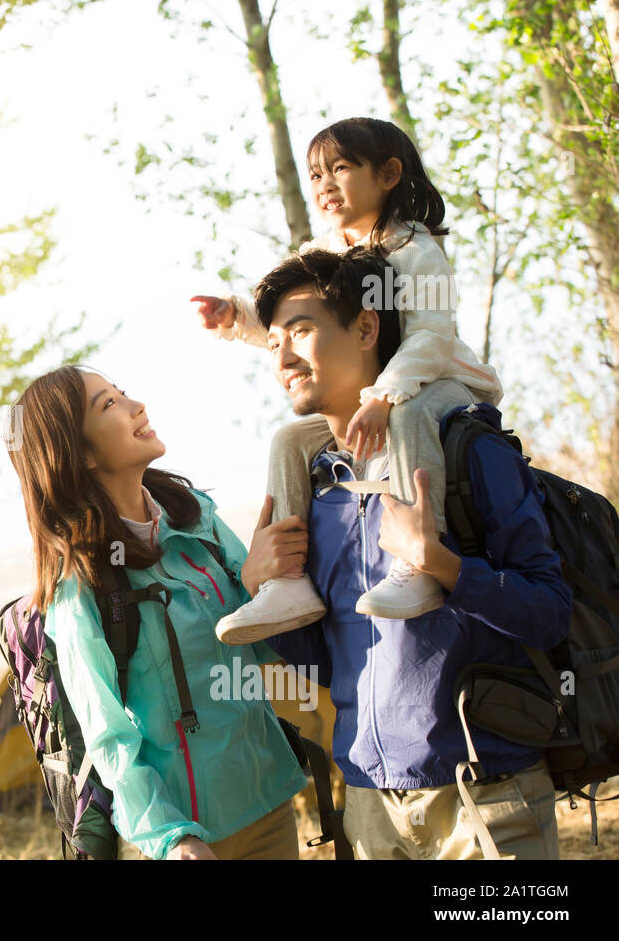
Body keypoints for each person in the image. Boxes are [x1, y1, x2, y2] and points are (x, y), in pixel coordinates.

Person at [254, 246, 570, 859]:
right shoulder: (320, 484)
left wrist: (443, 567)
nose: (284, 358)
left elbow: (550, 612)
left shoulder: (467, 452)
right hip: (371, 807)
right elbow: (327, 663)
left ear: (367, 327)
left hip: (486, 798)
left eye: (300, 330)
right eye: (272, 344)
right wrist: (264, 586)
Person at [193, 117, 502, 643]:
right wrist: (236, 316)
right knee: (290, 438)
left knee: (407, 413)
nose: (324, 184)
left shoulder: (416, 251)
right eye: (316, 174)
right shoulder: (324, 251)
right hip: (373, 395)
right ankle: (290, 582)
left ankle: (419, 562)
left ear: (388, 174)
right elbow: (285, 314)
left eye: (340, 168)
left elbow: (431, 336)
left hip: (442, 381)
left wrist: (385, 394)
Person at [5, 365, 309, 860]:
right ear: (79, 454)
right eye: (109, 405)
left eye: (123, 394)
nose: (136, 406)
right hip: (191, 836)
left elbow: (264, 646)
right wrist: (172, 838)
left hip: (269, 802)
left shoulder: (196, 517)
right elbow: (108, 736)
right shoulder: (81, 587)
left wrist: (261, 586)